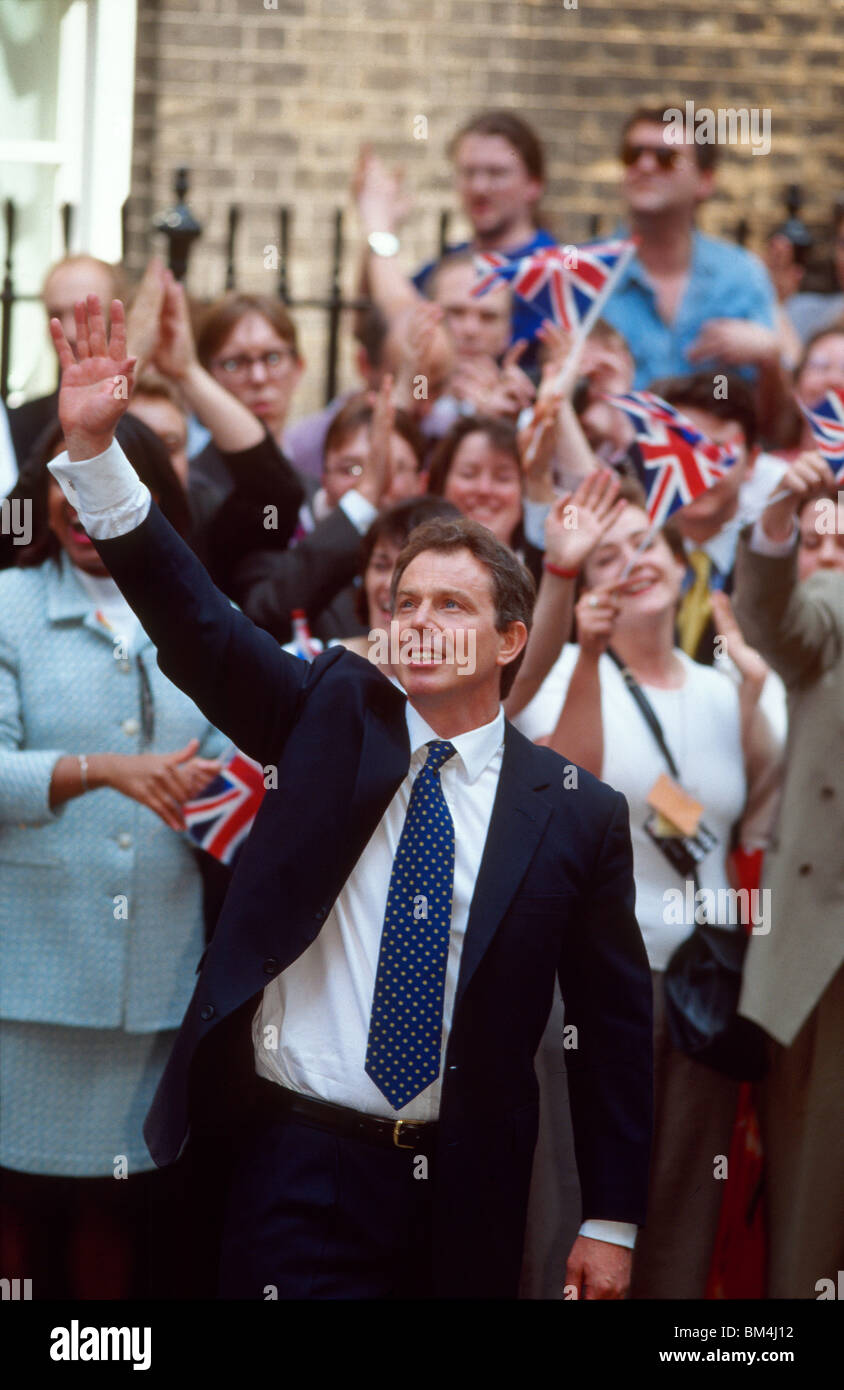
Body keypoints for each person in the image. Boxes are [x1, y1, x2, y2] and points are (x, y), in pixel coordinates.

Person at [46, 293, 653, 1301]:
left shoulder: (575, 812)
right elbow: (199, 624)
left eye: (449, 605)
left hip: (464, 1185)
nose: (415, 620)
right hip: (297, 1166)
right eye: (401, 601)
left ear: (510, 639)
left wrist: (610, 1216)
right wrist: (98, 455)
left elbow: (613, 1032)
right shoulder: (333, 713)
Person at [512, 489, 779, 1298]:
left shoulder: (720, 685)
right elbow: (565, 790)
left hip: (699, 983)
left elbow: (755, 815)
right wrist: (589, 657)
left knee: (683, 1198)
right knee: (576, 1197)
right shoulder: (560, 670)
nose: (635, 562)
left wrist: (757, 689)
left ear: (677, 559)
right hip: (589, 982)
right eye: (610, 554)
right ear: (588, 585)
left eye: (646, 544)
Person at [0, 414, 226, 1300]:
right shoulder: (9, 607)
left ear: (150, 499)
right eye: (63, 482)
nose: (78, 507)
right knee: (14, 1213)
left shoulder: (203, 612)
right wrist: (102, 772)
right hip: (29, 979)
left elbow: (246, 761)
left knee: (115, 1217)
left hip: (156, 974)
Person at [733, 451, 844, 1299]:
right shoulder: (834, 605)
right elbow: (774, 622)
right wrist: (777, 522)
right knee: (812, 1239)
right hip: (825, 968)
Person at [600, 105, 781, 389]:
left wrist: (769, 360)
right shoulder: (586, 272)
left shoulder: (741, 276)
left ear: (705, 181)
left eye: (666, 158)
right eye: (633, 155)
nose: (645, 167)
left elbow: (773, 424)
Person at [354, 110, 555, 365]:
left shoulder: (551, 272)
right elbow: (375, 327)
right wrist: (380, 228)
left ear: (534, 184)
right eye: (469, 173)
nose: (479, 187)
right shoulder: (451, 262)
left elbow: (404, 324)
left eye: (497, 173)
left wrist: (378, 226)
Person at [7, 254, 126, 471]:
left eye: (88, 314)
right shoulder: (18, 423)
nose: (70, 332)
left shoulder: (149, 411)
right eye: (56, 314)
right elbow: (17, 504)